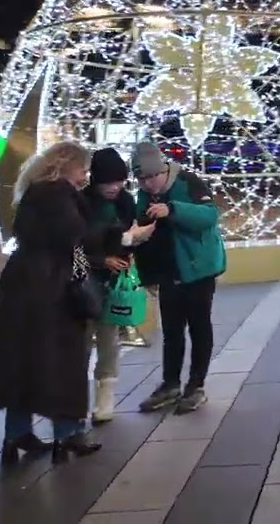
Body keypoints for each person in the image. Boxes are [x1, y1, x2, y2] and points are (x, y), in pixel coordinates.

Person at [0, 140, 102, 464]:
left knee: (23, 363)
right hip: (53, 288)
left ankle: (16, 435)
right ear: (66, 165)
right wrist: (118, 236)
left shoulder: (33, 192)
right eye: (82, 169)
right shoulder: (57, 194)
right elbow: (74, 237)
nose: (84, 177)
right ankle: (65, 436)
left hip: (22, 284)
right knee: (62, 363)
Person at [130, 141, 226, 415]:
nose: (149, 184)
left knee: (198, 325)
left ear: (163, 170)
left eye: (153, 176)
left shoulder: (187, 181)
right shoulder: (143, 196)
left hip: (199, 270)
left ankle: (196, 385)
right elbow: (144, 238)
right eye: (142, 179)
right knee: (171, 330)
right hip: (168, 272)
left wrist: (173, 209)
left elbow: (210, 216)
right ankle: (170, 384)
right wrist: (147, 275)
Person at [81, 147, 157, 425]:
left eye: (119, 181)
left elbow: (124, 239)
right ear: (94, 179)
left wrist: (135, 241)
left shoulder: (127, 202)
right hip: (84, 283)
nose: (114, 187)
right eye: (107, 181)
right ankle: (75, 404)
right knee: (81, 344)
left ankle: (104, 401)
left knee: (109, 342)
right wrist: (104, 258)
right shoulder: (82, 203)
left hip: (115, 286)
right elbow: (76, 246)